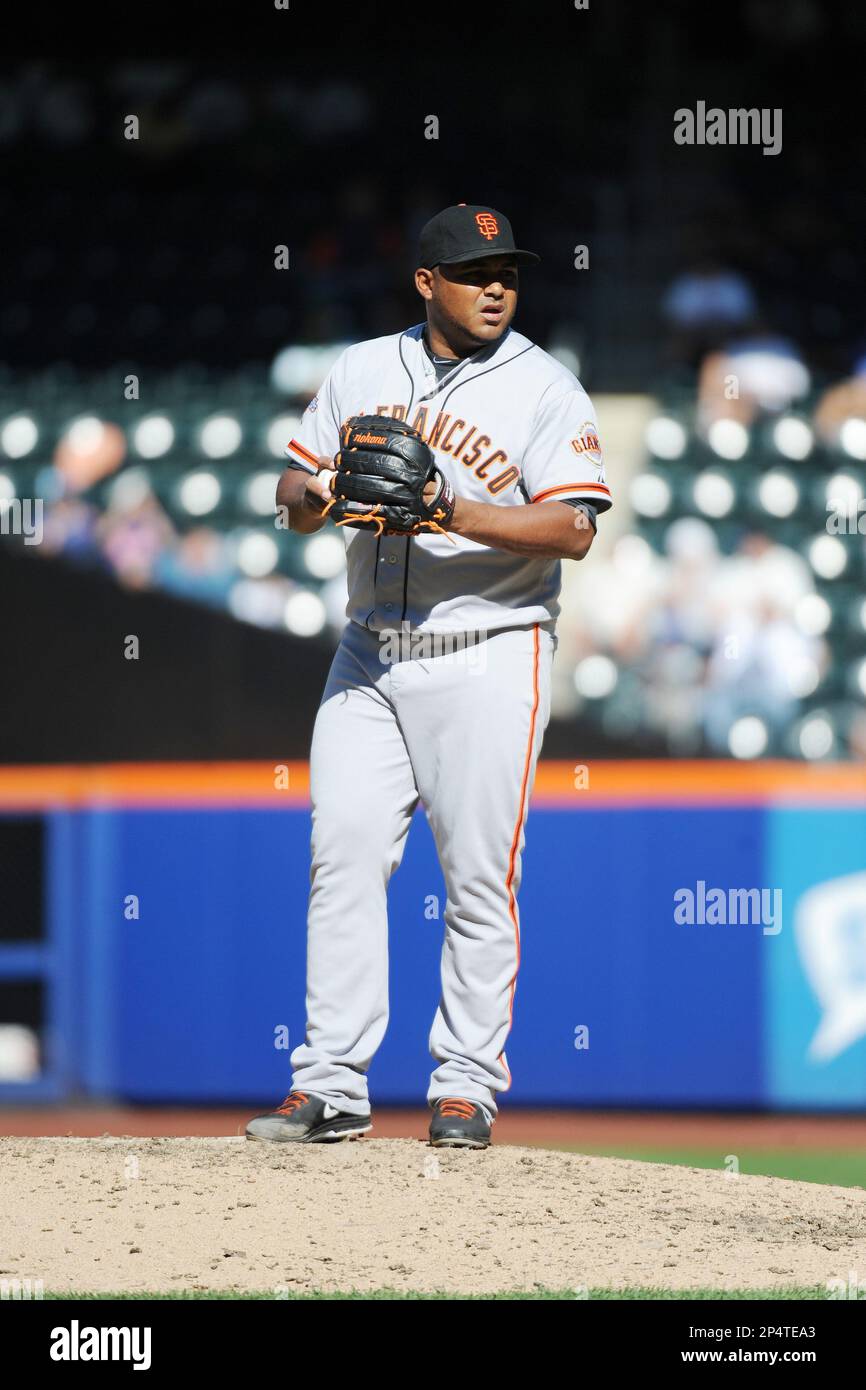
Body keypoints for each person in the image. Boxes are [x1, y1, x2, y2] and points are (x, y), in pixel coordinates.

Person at [246, 204, 612, 1149]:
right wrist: (316, 498)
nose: (496, 287)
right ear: (425, 282)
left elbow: (574, 526)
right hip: (369, 648)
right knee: (344, 854)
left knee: (479, 877)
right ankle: (330, 1083)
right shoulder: (361, 367)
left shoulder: (545, 387)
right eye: (475, 270)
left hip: (490, 648)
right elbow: (289, 492)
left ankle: (465, 1086)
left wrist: (456, 505)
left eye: (510, 272)